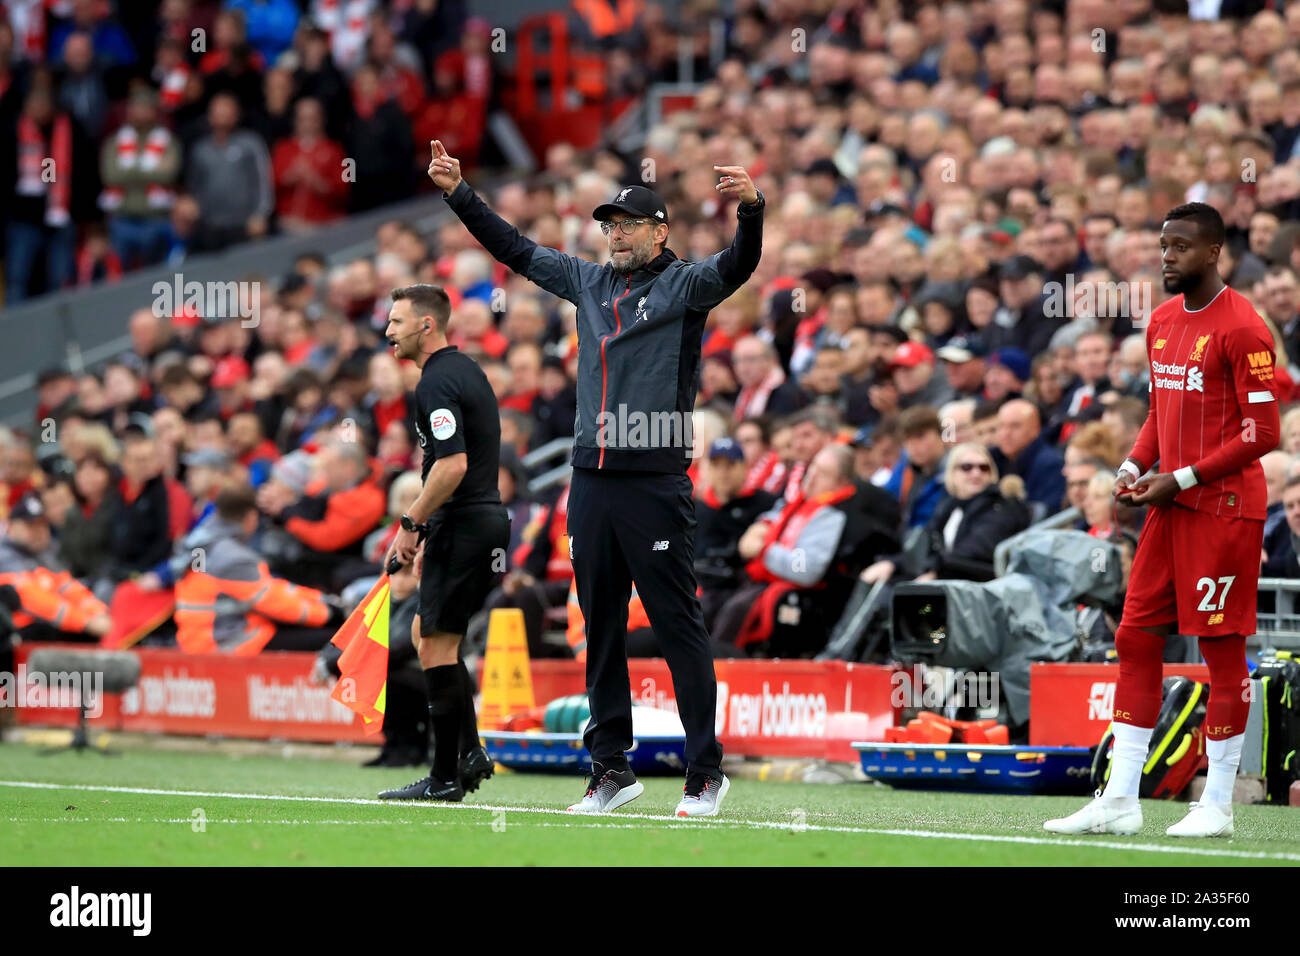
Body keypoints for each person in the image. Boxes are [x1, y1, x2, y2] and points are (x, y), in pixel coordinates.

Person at [429, 138, 763, 816]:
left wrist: (752, 209)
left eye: (628, 225)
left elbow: (740, 263)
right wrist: (460, 194)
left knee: (676, 625)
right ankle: (610, 768)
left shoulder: (685, 285)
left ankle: (705, 771)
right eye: (609, 226)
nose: (615, 235)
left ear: (659, 232)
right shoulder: (588, 281)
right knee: (599, 627)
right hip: (590, 480)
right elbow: (515, 249)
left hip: (654, 480)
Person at [1046, 203, 1280, 840]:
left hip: (1223, 510)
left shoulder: (1244, 327)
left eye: (1181, 246)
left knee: (1221, 649)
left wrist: (1181, 478)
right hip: (1169, 504)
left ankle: (1219, 804)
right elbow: (1161, 410)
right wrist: (1132, 465)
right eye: (1163, 245)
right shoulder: (1162, 320)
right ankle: (1120, 797)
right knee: (1135, 637)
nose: (1168, 256)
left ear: (1214, 252)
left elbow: (1263, 432)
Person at [378, 283, 509, 803]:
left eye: (396, 321)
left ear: (426, 325)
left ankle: (444, 777)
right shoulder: (465, 370)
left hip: (466, 522)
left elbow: (452, 465)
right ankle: (468, 752)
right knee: (425, 633)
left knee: (435, 643)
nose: (388, 331)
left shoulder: (435, 381)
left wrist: (412, 522)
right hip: (474, 522)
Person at [174, 486, 335, 654]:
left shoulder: (198, 544)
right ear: (251, 516)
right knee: (333, 640)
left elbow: (270, 588)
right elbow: (275, 604)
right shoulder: (234, 558)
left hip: (196, 640)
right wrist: (328, 614)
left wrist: (320, 598)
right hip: (227, 643)